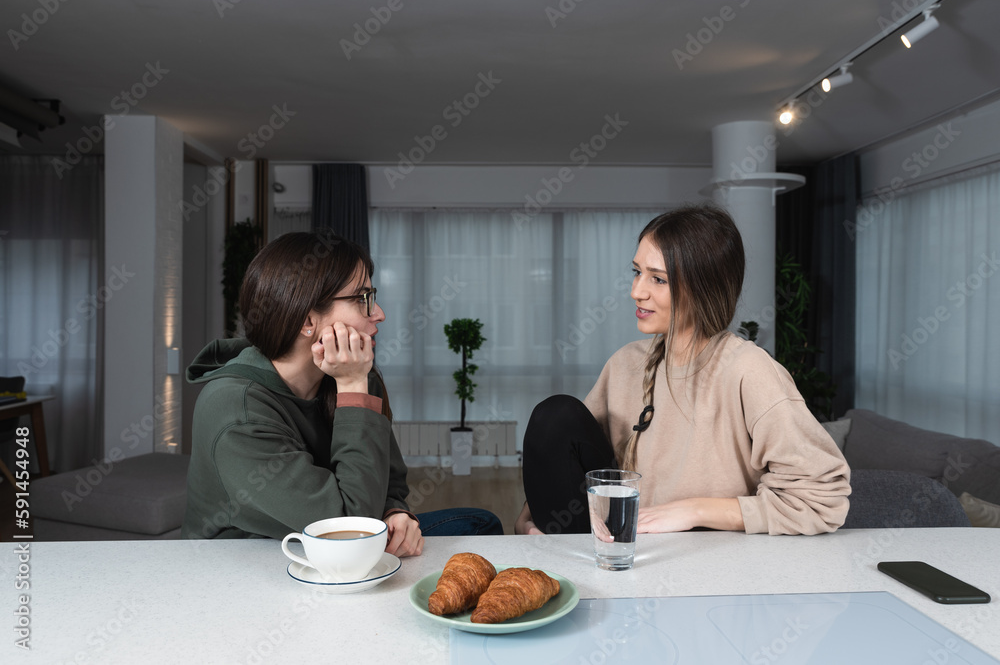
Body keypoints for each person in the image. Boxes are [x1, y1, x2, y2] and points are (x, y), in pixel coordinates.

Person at [516, 205, 850, 536]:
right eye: (637, 272)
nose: (636, 291)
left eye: (658, 279)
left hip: (703, 553)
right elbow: (565, 453)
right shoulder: (625, 363)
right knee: (554, 414)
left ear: (704, 287)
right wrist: (531, 517)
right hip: (618, 544)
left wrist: (692, 510)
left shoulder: (748, 370)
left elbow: (822, 500)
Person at [182, 231, 502, 554]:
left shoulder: (353, 374)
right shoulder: (235, 410)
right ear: (308, 320)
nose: (379, 313)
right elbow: (349, 527)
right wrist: (351, 388)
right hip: (260, 562)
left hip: (346, 545)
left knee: (481, 524)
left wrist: (396, 513)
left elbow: (390, 480)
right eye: (363, 299)